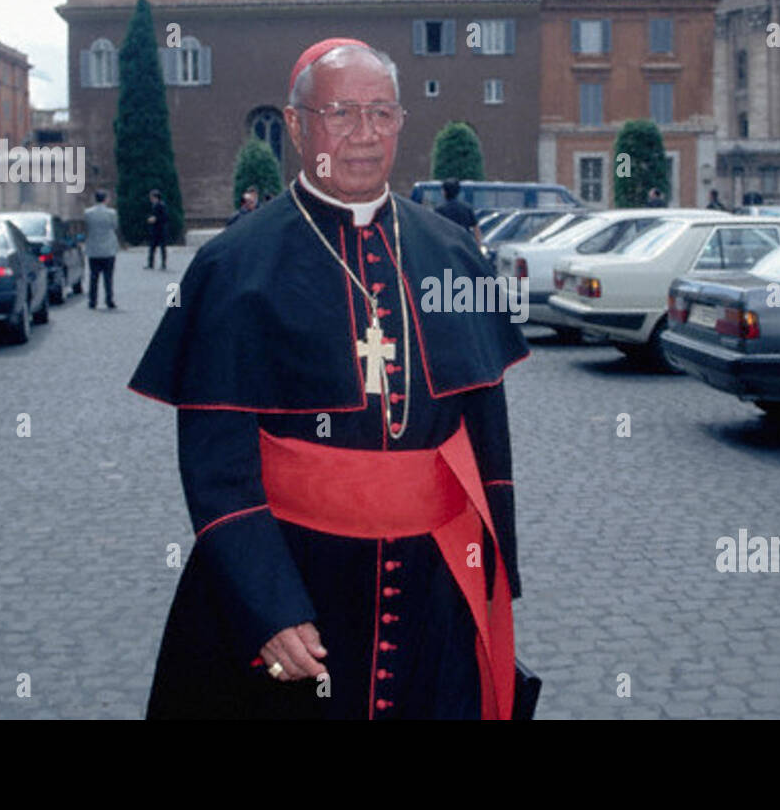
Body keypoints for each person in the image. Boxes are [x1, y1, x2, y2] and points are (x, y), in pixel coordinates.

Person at [128, 37, 528, 720]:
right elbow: (217, 468)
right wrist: (268, 604)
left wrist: (492, 570)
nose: (364, 135)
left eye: (381, 113)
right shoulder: (234, 267)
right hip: (298, 570)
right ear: (295, 123)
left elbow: (487, 433)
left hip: (433, 580)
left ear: (402, 122)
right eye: (341, 113)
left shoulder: (455, 253)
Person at [83, 189, 119, 309]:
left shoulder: (88, 213)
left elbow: (87, 228)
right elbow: (114, 226)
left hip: (93, 249)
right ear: (105, 199)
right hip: (108, 248)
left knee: (93, 277)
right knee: (108, 277)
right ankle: (109, 299)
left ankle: (92, 300)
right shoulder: (111, 213)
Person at [434, 177, 482, 245]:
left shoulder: (439, 209)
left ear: (445, 192)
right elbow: (476, 228)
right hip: (464, 244)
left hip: (447, 245)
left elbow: (434, 228)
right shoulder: (467, 208)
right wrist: (478, 245)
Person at [146, 189, 169, 270]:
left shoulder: (161, 205)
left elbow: (165, 217)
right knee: (152, 247)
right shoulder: (154, 205)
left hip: (161, 230)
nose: (150, 199)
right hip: (155, 230)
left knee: (162, 248)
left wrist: (155, 219)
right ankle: (150, 264)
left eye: (151, 197)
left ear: (156, 197)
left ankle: (163, 264)